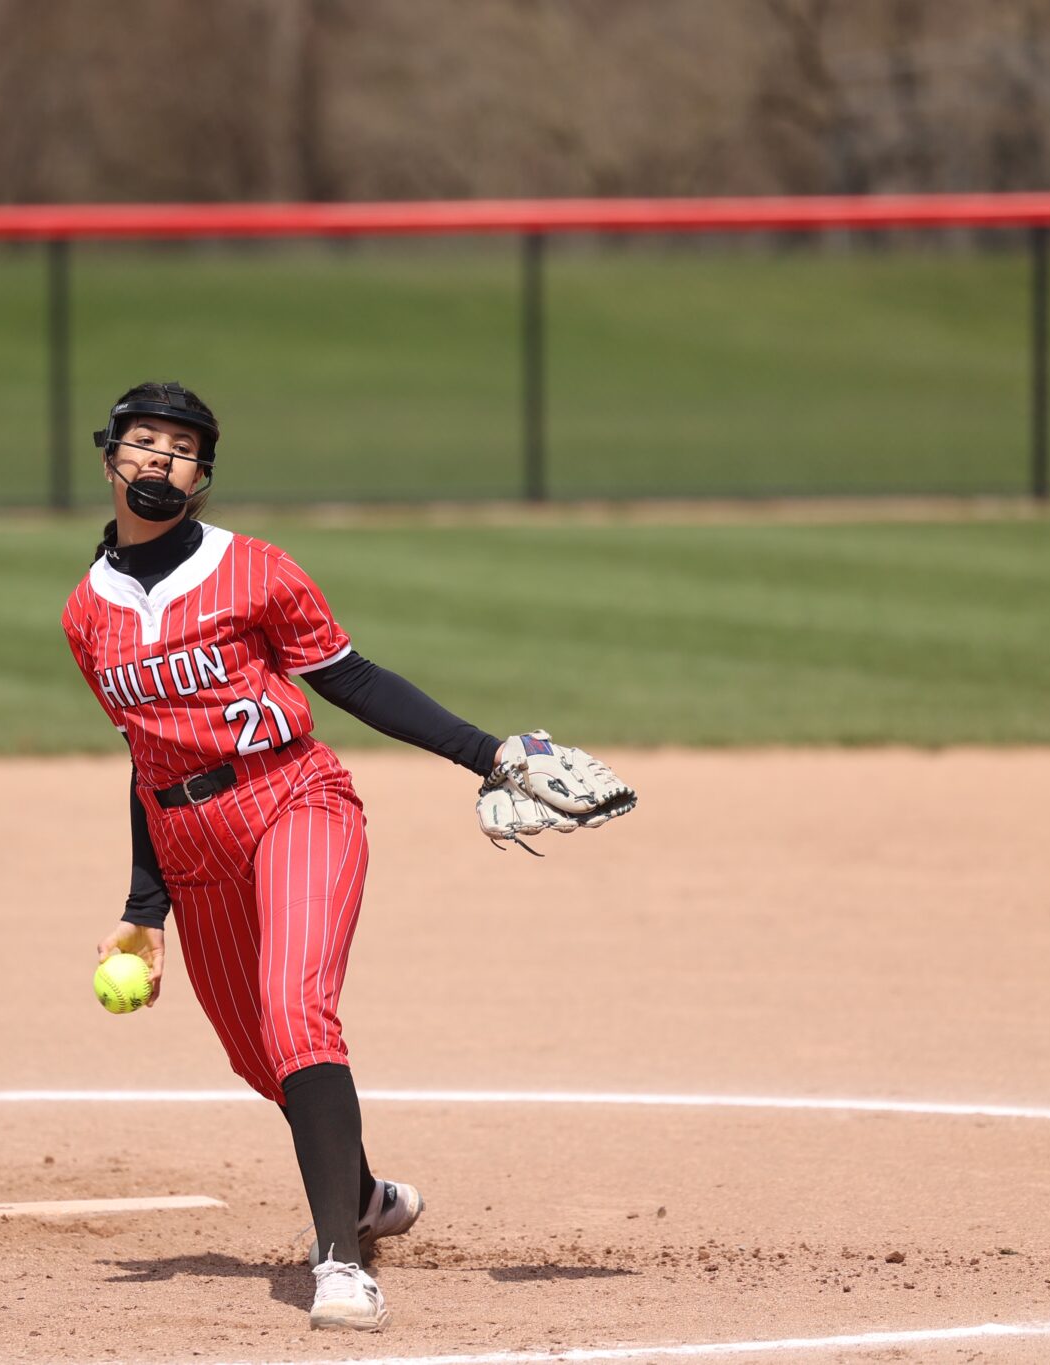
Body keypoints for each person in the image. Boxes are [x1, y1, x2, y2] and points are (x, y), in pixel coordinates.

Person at [61, 382, 636, 1332]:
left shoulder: (255, 570)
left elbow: (353, 679)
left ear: (203, 474)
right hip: (188, 846)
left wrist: (488, 753)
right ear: (111, 454)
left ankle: (340, 1259)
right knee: (262, 1060)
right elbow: (145, 757)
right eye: (144, 441)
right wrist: (143, 908)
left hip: (294, 799)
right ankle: (366, 1194)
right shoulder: (89, 614)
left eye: (182, 447)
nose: (160, 458)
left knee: (296, 1015)